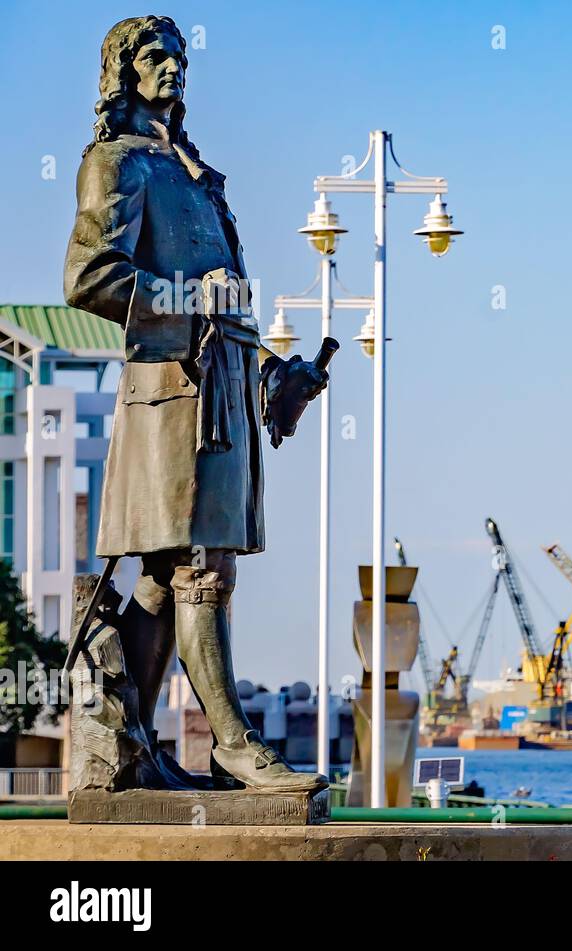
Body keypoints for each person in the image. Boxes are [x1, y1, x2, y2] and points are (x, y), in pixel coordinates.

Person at [65, 15, 326, 792]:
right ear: (124, 72)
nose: (172, 68)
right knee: (200, 565)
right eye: (153, 56)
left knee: (162, 573)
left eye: (179, 57)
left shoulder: (198, 176)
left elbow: (227, 304)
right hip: (170, 398)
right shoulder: (116, 164)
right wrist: (189, 313)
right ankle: (233, 744)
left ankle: (131, 749)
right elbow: (89, 278)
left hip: (221, 396)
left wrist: (275, 375)